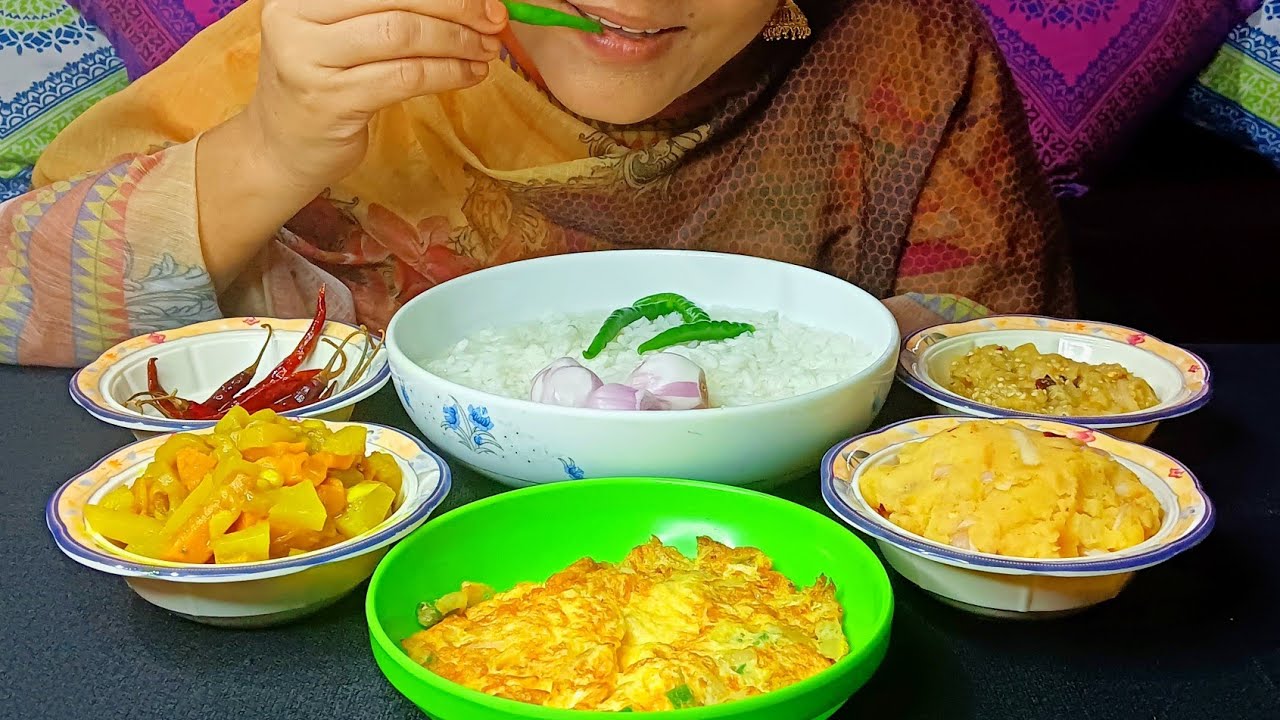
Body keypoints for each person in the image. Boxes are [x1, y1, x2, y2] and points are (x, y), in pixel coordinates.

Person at [0, 0, 1071, 367]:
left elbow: (1005, 379)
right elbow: (15, 309)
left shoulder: (906, 57)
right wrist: (273, 149)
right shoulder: (336, 43)